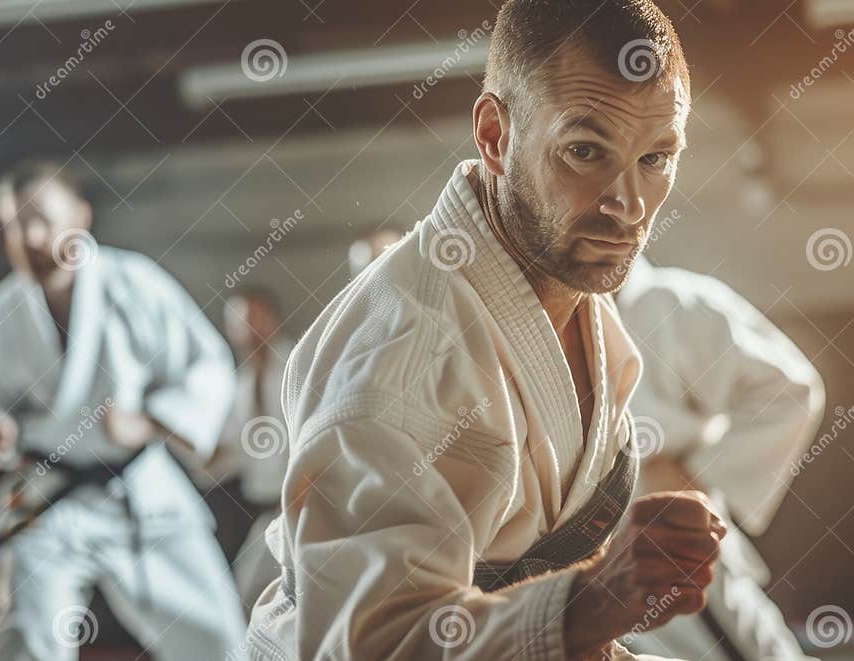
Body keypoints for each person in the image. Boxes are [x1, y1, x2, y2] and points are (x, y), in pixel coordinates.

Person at [246, 1, 727, 658]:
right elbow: (368, 644)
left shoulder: (568, 282)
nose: (629, 205)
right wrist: (594, 598)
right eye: (584, 151)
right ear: (496, 135)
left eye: (656, 157)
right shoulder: (405, 355)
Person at [0, 161, 246, 661]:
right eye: (13, 225)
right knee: (24, 642)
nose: (29, 237)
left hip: (139, 490)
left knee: (217, 638)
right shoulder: (1, 310)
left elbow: (208, 365)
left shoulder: (134, 283)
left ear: (81, 216)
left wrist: (150, 421)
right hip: (48, 496)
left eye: (41, 219)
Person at [615, 257, 824, 660]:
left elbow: (790, 390)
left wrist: (697, 475)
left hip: (683, 541)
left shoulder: (671, 302)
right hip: (599, 574)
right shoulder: (538, 331)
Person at [204, 288, 295, 613]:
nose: (248, 326)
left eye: (254, 316)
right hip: (269, 511)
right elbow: (227, 456)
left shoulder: (299, 367)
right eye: (238, 320)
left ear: (273, 319)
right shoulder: (238, 385)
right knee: (248, 595)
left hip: (309, 502)